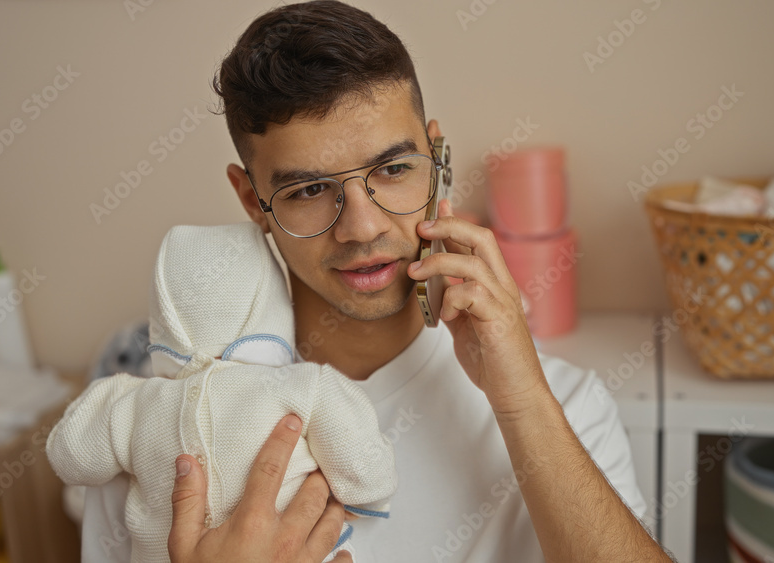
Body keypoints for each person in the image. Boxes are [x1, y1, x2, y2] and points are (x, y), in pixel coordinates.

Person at [80, 1, 675, 561]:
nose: (363, 228)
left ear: (437, 158)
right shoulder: (168, 437)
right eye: (310, 190)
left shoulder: (564, 404)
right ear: (250, 198)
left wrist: (520, 402)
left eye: (393, 169)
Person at [47, 222, 398, 562]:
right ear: (273, 307)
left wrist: (110, 396)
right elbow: (363, 466)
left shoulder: (138, 403)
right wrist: (366, 499)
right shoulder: (305, 385)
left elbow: (71, 456)